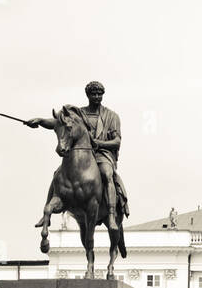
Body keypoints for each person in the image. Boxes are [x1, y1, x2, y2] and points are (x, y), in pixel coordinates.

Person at [26, 81, 128, 225]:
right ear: (87, 95)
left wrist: (99, 143)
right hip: (79, 156)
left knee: (106, 173)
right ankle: (46, 214)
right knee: (57, 174)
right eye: (93, 94)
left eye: (99, 94)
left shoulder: (112, 116)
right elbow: (58, 122)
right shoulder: (78, 114)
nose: (97, 97)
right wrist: (40, 121)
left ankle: (111, 214)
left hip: (101, 155)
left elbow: (117, 141)